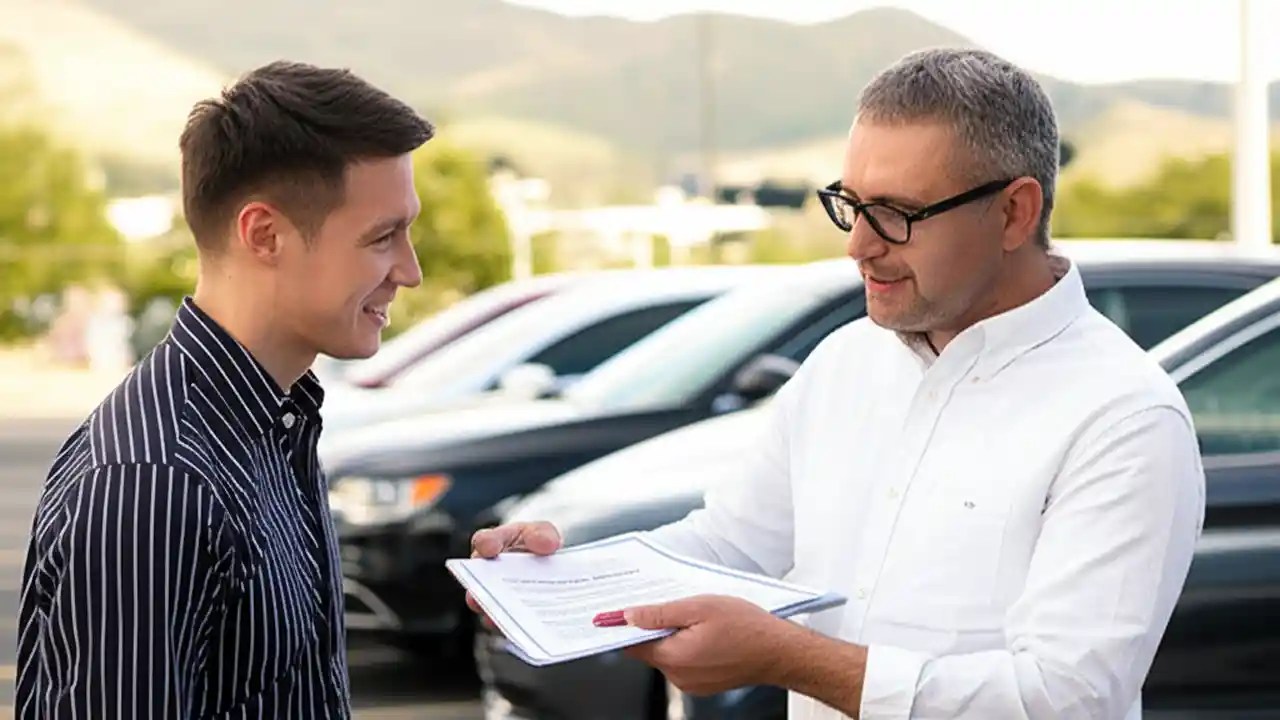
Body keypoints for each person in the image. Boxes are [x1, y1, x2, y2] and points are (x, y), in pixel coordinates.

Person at [470, 48, 1205, 720]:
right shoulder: (845, 362)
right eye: (851, 203)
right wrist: (562, 580)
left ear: (1014, 212)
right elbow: (730, 545)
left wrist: (788, 659)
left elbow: (1064, 699)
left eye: (896, 214)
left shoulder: (1123, 416)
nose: (858, 244)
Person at [17, 60, 431, 718]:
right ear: (264, 234)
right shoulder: (152, 480)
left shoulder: (278, 419)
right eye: (382, 237)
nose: (409, 271)